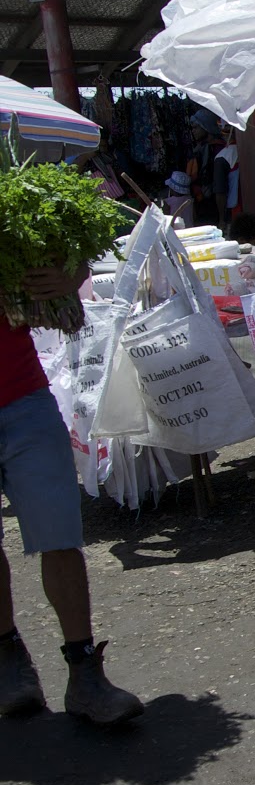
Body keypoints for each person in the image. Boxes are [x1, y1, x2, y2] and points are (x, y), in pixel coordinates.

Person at [1, 265, 144, 724]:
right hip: (24, 402)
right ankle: (8, 662)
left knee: (59, 536)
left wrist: (68, 278)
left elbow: (68, 252)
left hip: (23, 398)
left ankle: (85, 676)